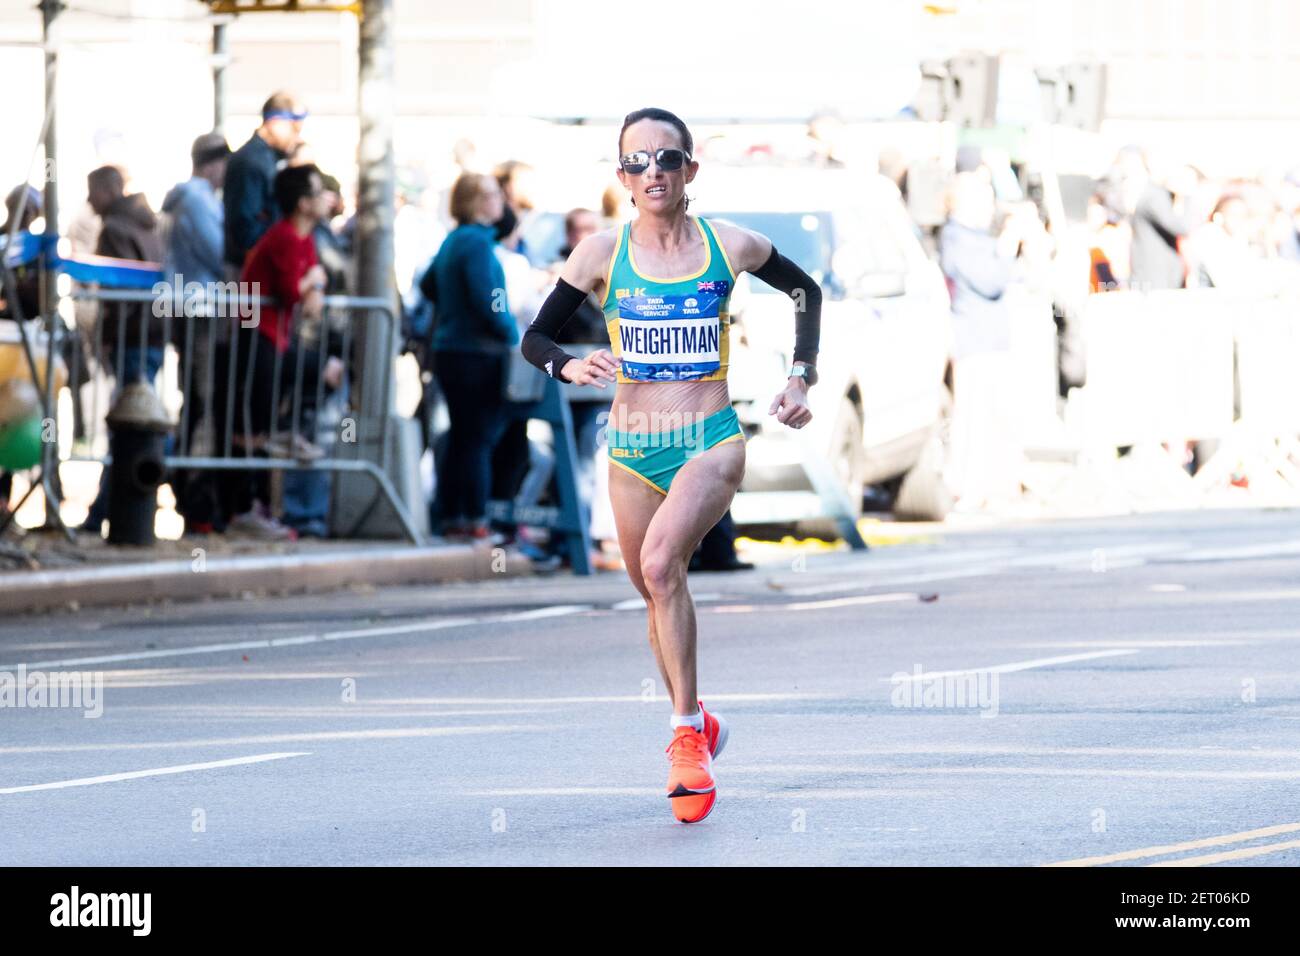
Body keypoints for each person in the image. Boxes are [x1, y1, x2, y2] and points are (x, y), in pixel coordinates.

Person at [520, 107, 820, 823]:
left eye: (666, 158)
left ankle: (684, 737)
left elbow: (805, 289)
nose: (652, 171)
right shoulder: (599, 254)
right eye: (636, 161)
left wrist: (800, 373)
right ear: (621, 177)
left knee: (660, 568)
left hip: (709, 439)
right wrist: (569, 363)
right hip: (630, 449)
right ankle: (699, 721)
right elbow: (535, 338)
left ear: (691, 169)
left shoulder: (731, 245)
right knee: (656, 594)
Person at [216, 163, 338, 539]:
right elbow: (291, 290)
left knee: (320, 373)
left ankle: (285, 430)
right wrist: (311, 284)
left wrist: (313, 284)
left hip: (277, 337)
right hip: (259, 337)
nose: (325, 199)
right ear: (303, 203)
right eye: (318, 193)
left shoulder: (304, 238)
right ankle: (243, 507)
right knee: (249, 426)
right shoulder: (284, 236)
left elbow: (312, 279)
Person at [421, 172, 520, 541]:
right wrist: (513, 335)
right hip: (477, 354)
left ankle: (454, 517)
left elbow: (428, 284)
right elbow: (490, 300)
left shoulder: (454, 240)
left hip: (450, 349)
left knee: (462, 437)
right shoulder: (477, 243)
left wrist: (452, 309)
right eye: (494, 195)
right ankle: (476, 518)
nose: (500, 201)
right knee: (477, 439)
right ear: (478, 201)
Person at [938, 172, 1029, 514]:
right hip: (974, 339)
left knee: (998, 415)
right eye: (985, 198)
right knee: (975, 417)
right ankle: (969, 487)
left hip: (991, 337)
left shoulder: (973, 237)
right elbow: (989, 280)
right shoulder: (957, 238)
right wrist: (1007, 245)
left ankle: (997, 486)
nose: (991, 207)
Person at [81, 165, 165, 535]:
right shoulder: (146, 224)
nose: (89, 201)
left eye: (93, 191)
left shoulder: (116, 229)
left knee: (129, 424)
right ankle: (109, 508)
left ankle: (105, 510)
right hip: (151, 334)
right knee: (138, 422)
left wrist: (108, 334)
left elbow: (119, 295)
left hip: (133, 337)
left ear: (109, 190)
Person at [159, 132, 232, 534]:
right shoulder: (197, 201)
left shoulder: (181, 201)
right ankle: (193, 493)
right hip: (199, 310)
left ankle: (190, 488)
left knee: (197, 400)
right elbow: (219, 253)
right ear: (212, 163)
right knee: (201, 401)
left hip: (187, 306)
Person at [223, 92, 306, 276]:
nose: (297, 136)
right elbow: (246, 228)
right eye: (294, 128)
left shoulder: (267, 158)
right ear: (275, 122)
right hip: (248, 268)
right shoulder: (252, 160)